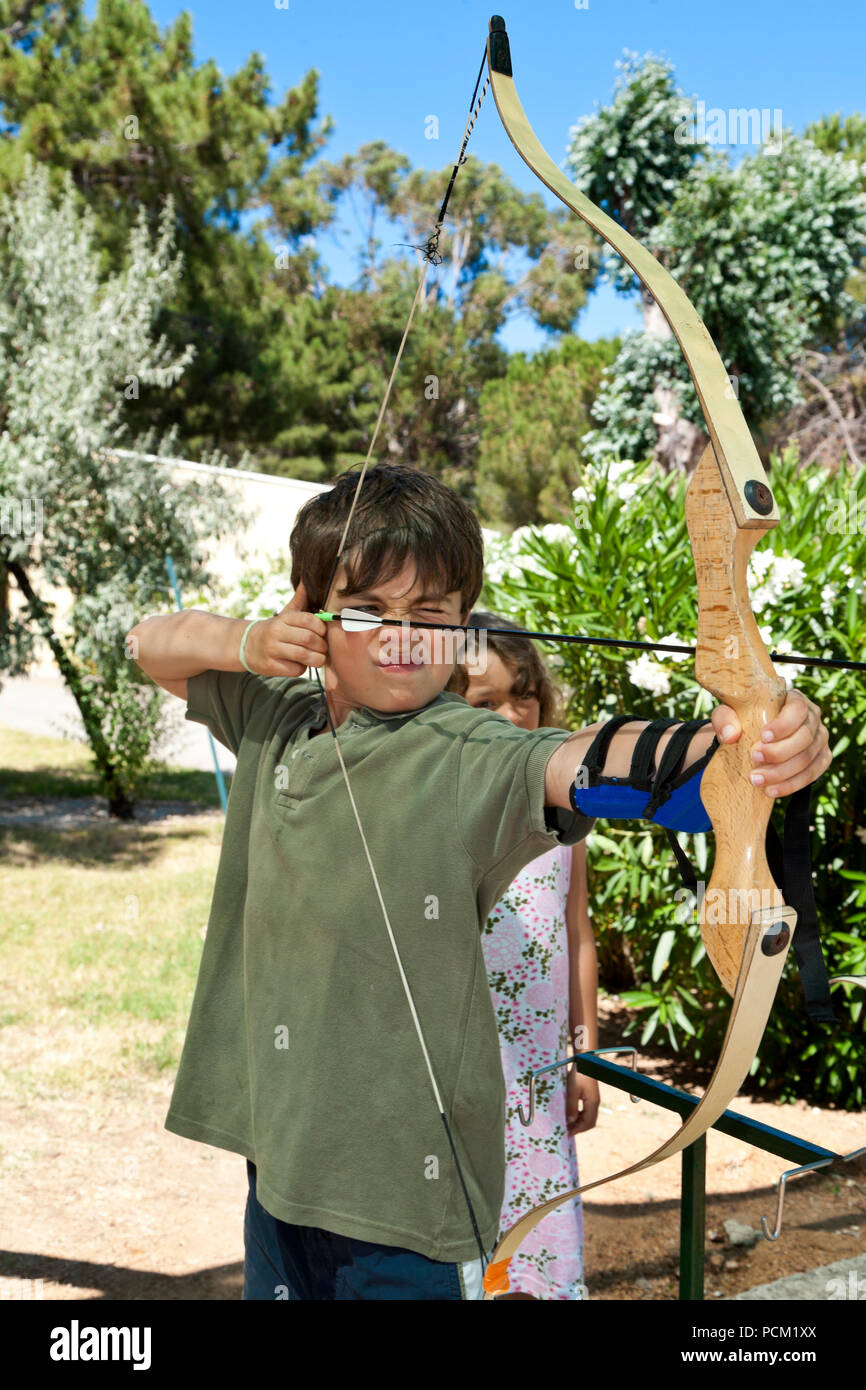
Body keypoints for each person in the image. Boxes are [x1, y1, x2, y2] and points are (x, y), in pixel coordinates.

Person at [126, 463, 831, 1301]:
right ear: (311, 612)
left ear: (462, 625)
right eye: (367, 610)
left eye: (430, 616)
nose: (400, 637)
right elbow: (148, 643)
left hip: (408, 1211)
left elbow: (594, 761)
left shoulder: (470, 753)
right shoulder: (276, 713)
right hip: (280, 1167)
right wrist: (247, 642)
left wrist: (751, 747)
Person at [448, 614, 597, 1301]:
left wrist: (583, 1054)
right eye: (484, 703)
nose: (511, 716)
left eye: (524, 694)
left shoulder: (567, 812)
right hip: (459, 1082)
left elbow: (578, 932)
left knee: (538, 1258)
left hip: (540, 1081)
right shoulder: (442, 806)